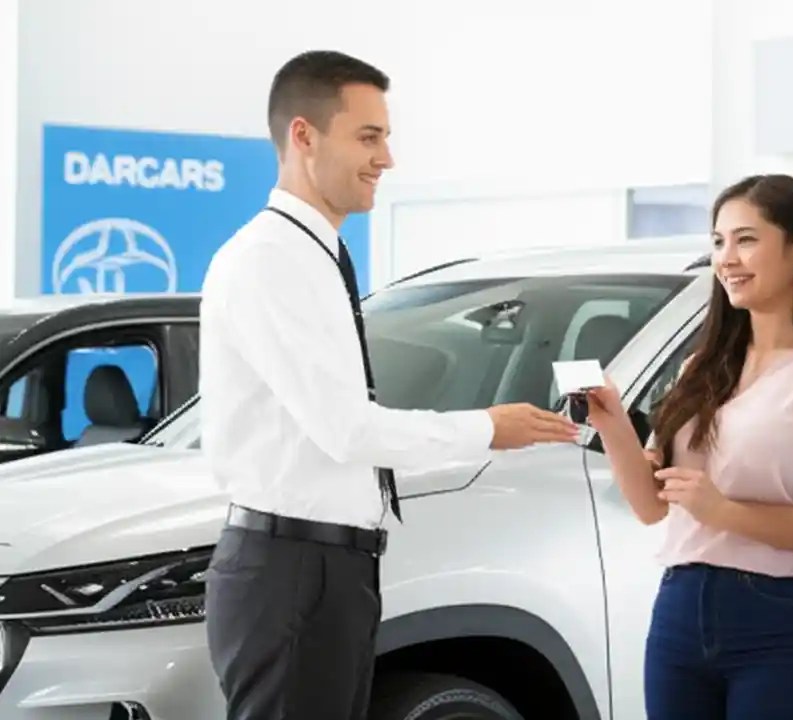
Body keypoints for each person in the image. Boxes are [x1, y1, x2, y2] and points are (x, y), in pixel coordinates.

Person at [198, 49, 579, 720]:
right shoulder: (270, 261)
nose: (387, 158)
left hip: (330, 567)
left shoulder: (317, 256)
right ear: (304, 137)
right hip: (294, 567)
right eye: (369, 136)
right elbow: (346, 428)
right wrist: (491, 427)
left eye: (387, 137)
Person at [585, 173, 793, 719]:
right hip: (678, 613)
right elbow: (650, 506)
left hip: (781, 622)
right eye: (718, 241)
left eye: (745, 239)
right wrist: (614, 424)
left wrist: (722, 510)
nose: (727, 258)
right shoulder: (701, 368)